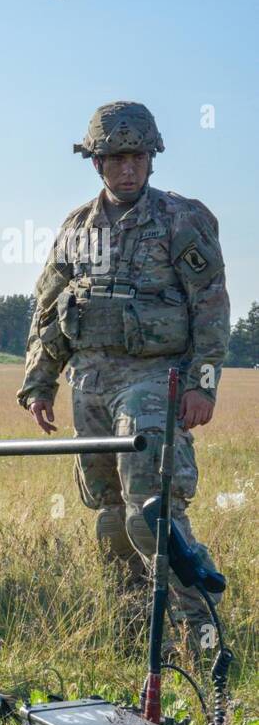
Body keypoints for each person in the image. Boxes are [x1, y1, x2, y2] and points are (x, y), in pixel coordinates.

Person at [18, 101, 230, 659]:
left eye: (136, 156)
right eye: (115, 158)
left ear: (152, 158)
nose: (127, 168)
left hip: (154, 380)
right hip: (89, 382)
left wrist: (202, 384)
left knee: (151, 511)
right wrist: (39, 384)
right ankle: (135, 630)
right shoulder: (75, 228)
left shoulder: (181, 219)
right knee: (110, 515)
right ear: (96, 163)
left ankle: (201, 632)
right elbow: (48, 310)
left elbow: (211, 306)